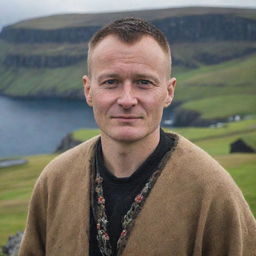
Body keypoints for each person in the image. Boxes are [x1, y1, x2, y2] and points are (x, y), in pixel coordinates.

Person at [19, 18, 256, 256]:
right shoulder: (55, 181)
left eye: (144, 82)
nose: (127, 100)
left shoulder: (212, 191)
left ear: (169, 91)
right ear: (89, 90)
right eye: (111, 82)